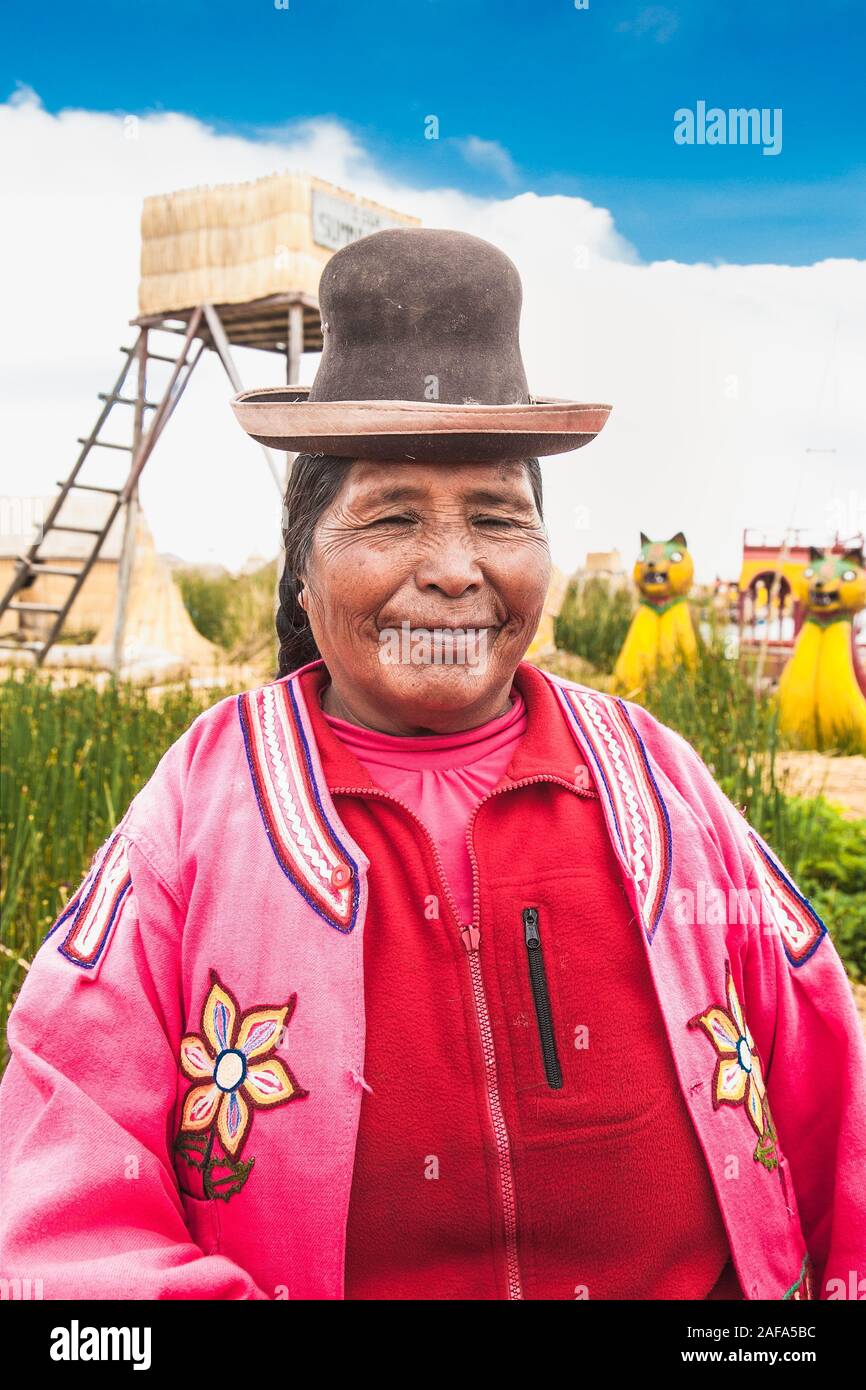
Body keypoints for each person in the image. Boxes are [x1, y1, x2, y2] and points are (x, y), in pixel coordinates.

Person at [1, 229, 864, 1301]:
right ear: (303, 575)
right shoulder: (201, 804)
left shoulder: (656, 778)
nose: (454, 570)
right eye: (391, 516)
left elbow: (834, 1089)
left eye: (497, 516)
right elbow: (62, 1185)